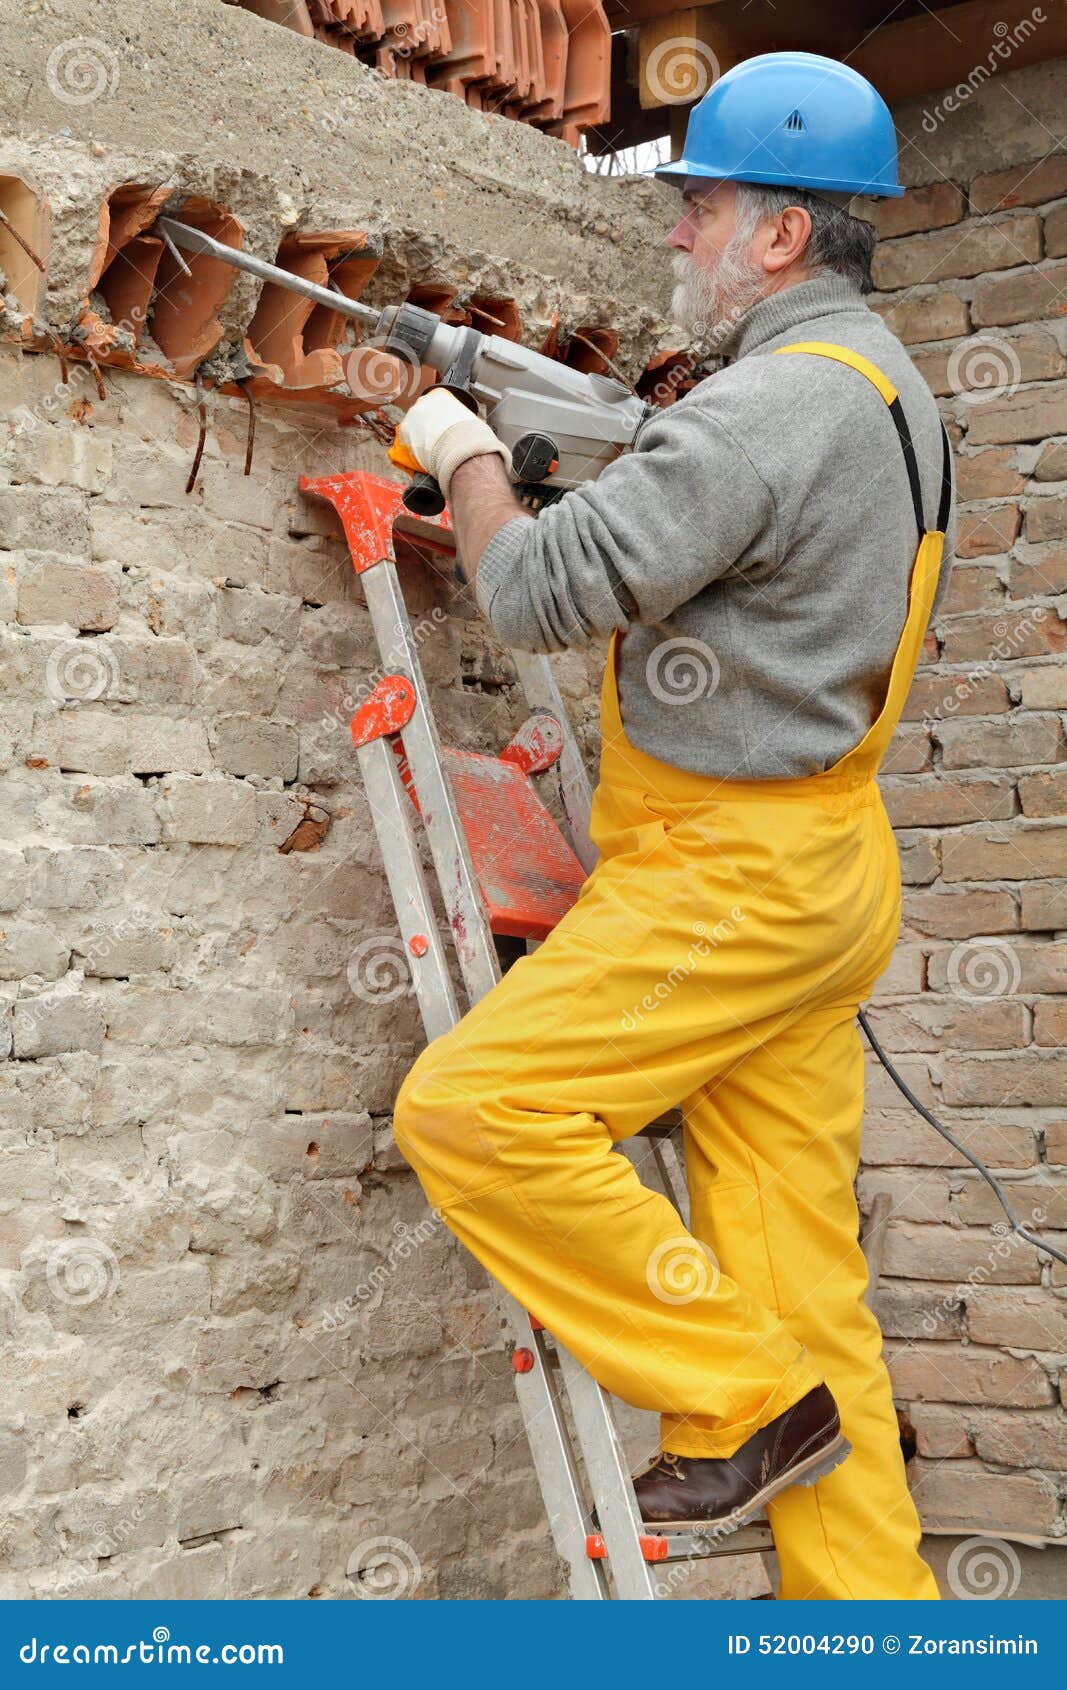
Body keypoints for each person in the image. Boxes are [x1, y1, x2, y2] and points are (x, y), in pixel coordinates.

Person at [390, 51, 953, 1600]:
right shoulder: (878, 385)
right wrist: (587, 436)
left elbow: (537, 590)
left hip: (729, 879)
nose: (672, 235)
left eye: (695, 206)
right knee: (812, 1293)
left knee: (476, 1113)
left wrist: (464, 454)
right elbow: (719, 505)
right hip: (827, 865)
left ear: (779, 235)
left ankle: (738, 1396)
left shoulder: (765, 410)